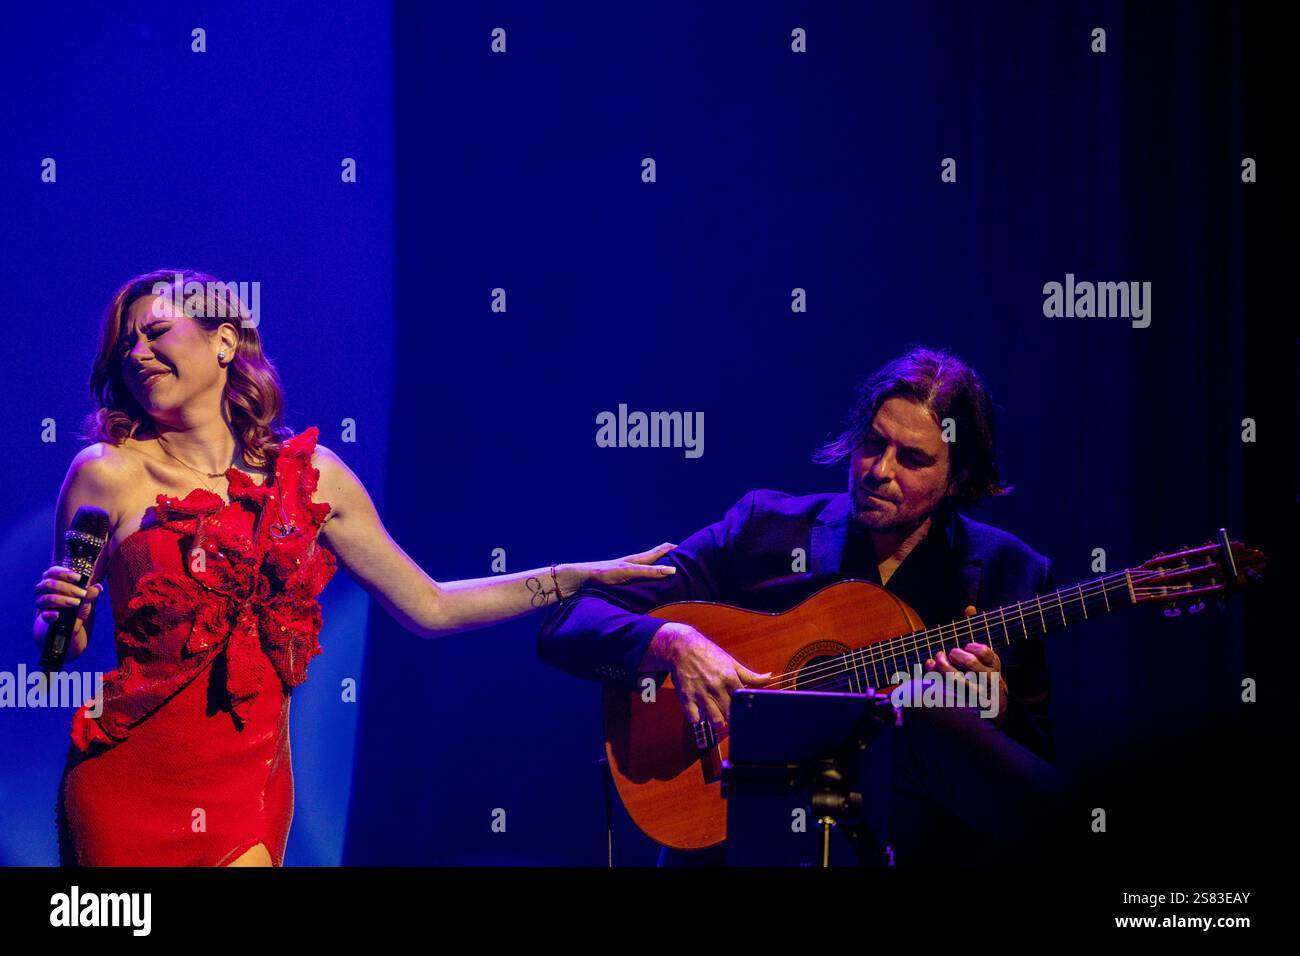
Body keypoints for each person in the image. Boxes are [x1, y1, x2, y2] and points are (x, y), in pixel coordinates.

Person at [35, 268, 676, 867]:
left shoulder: (312, 480)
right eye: (126, 348)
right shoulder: (107, 472)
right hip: (124, 783)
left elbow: (431, 606)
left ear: (224, 341)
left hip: (245, 793)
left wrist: (576, 578)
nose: (138, 354)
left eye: (154, 333)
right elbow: (62, 646)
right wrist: (61, 619)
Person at [538, 346, 1072, 865]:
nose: (879, 470)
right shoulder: (764, 530)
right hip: (741, 837)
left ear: (957, 477)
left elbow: (1039, 773)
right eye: (872, 443)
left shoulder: (1011, 573)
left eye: (912, 459)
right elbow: (571, 620)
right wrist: (672, 642)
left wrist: (993, 716)